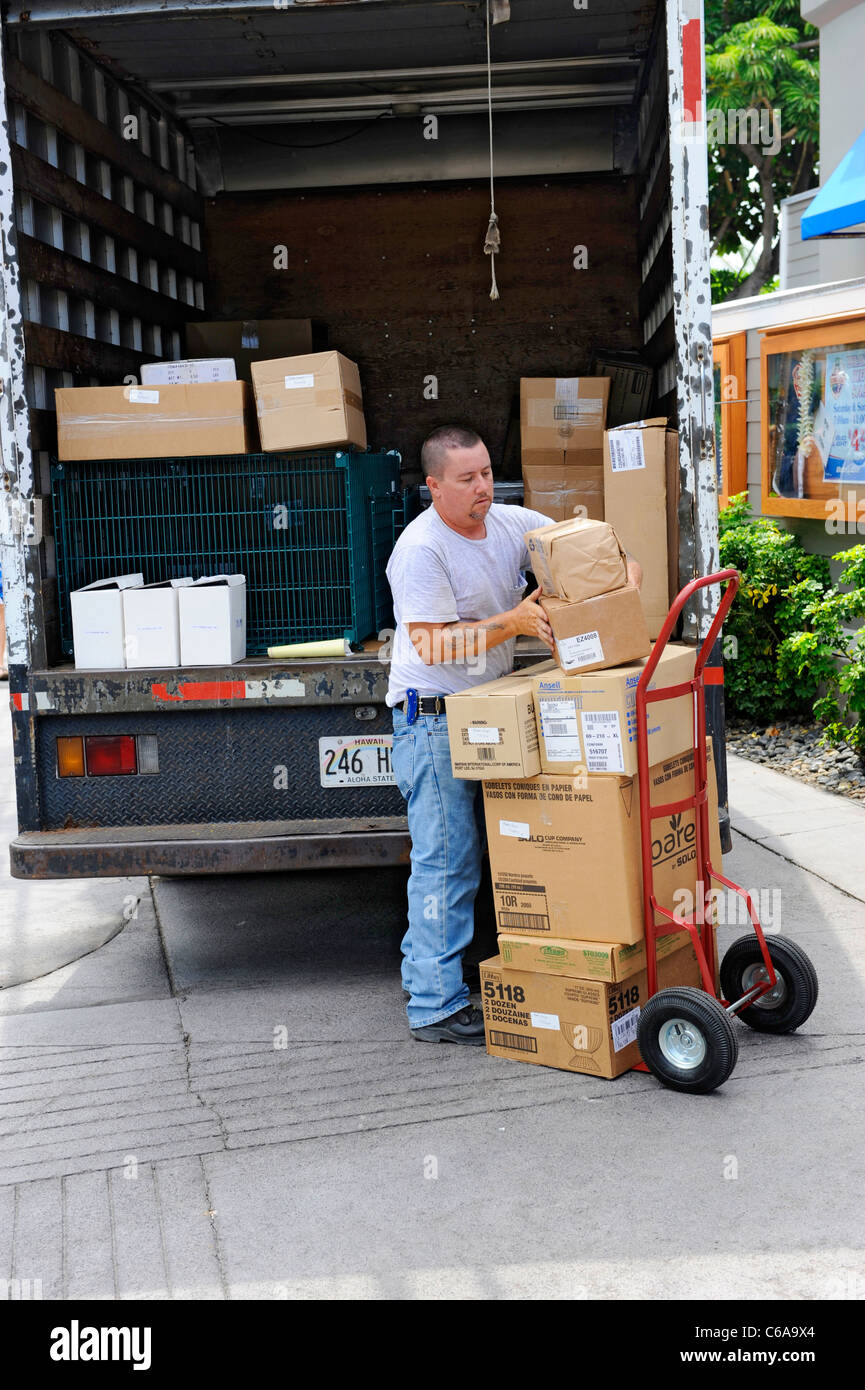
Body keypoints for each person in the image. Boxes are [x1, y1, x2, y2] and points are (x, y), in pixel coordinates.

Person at [386, 425, 641, 1045]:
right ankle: (433, 1006)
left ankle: (465, 972)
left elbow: (587, 547)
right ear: (434, 487)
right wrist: (518, 620)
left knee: (513, 848)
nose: (483, 488)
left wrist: (617, 580)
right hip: (434, 720)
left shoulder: (508, 520)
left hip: (490, 712)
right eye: (467, 479)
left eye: (486, 473)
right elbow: (432, 642)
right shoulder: (421, 550)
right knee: (447, 864)